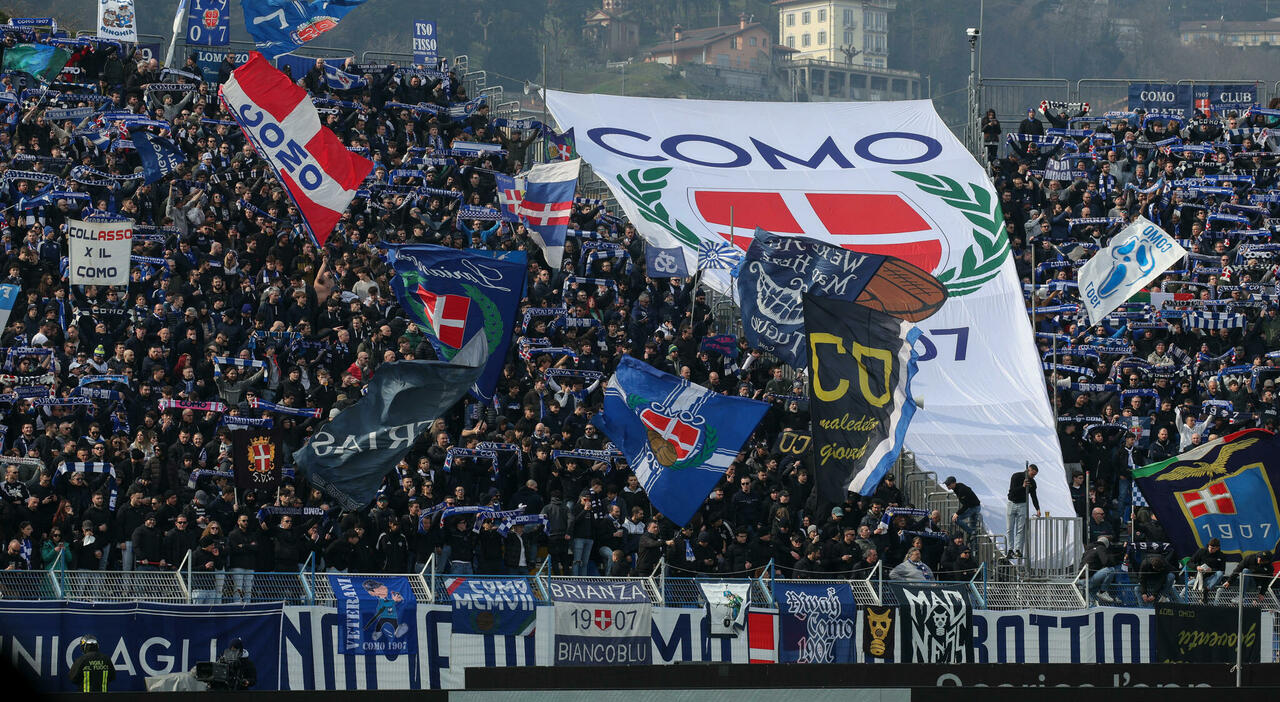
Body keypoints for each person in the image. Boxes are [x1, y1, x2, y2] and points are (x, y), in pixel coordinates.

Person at [1006, 464, 1040, 558]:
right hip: (1012, 503)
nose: (1033, 476)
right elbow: (1012, 491)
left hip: (1022, 504)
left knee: (1020, 528)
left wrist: (1037, 508)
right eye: (1032, 474)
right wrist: (1023, 486)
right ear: (1028, 470)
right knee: (1010, 528)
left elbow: (1033, 496)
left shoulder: (1032, 482)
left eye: (1034, 475)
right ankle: (1010, 549)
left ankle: (1017, 549)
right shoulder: (1016, 476)